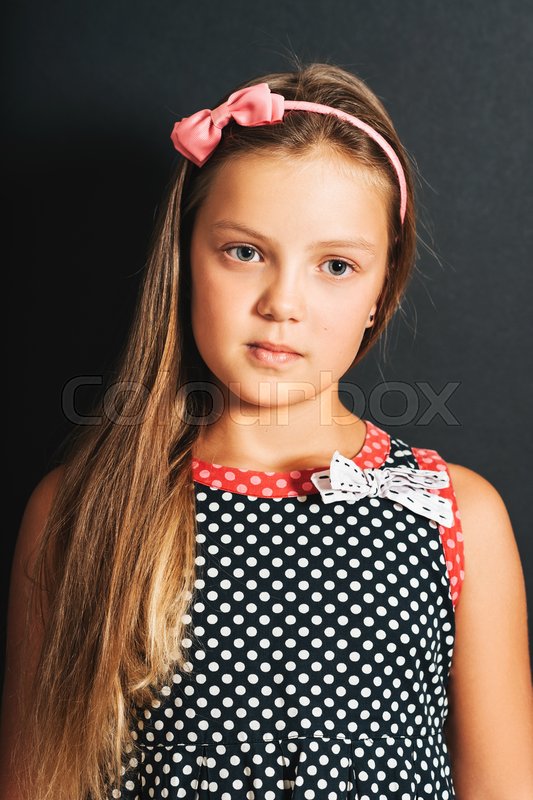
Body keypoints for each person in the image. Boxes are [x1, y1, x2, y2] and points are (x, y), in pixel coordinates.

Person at [1, 62, 532, 800]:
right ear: (186, 261)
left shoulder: (454, 512)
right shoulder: (81, 510)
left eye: (336, 265)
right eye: (244, 252)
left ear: (382, 292)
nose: (282, 302)